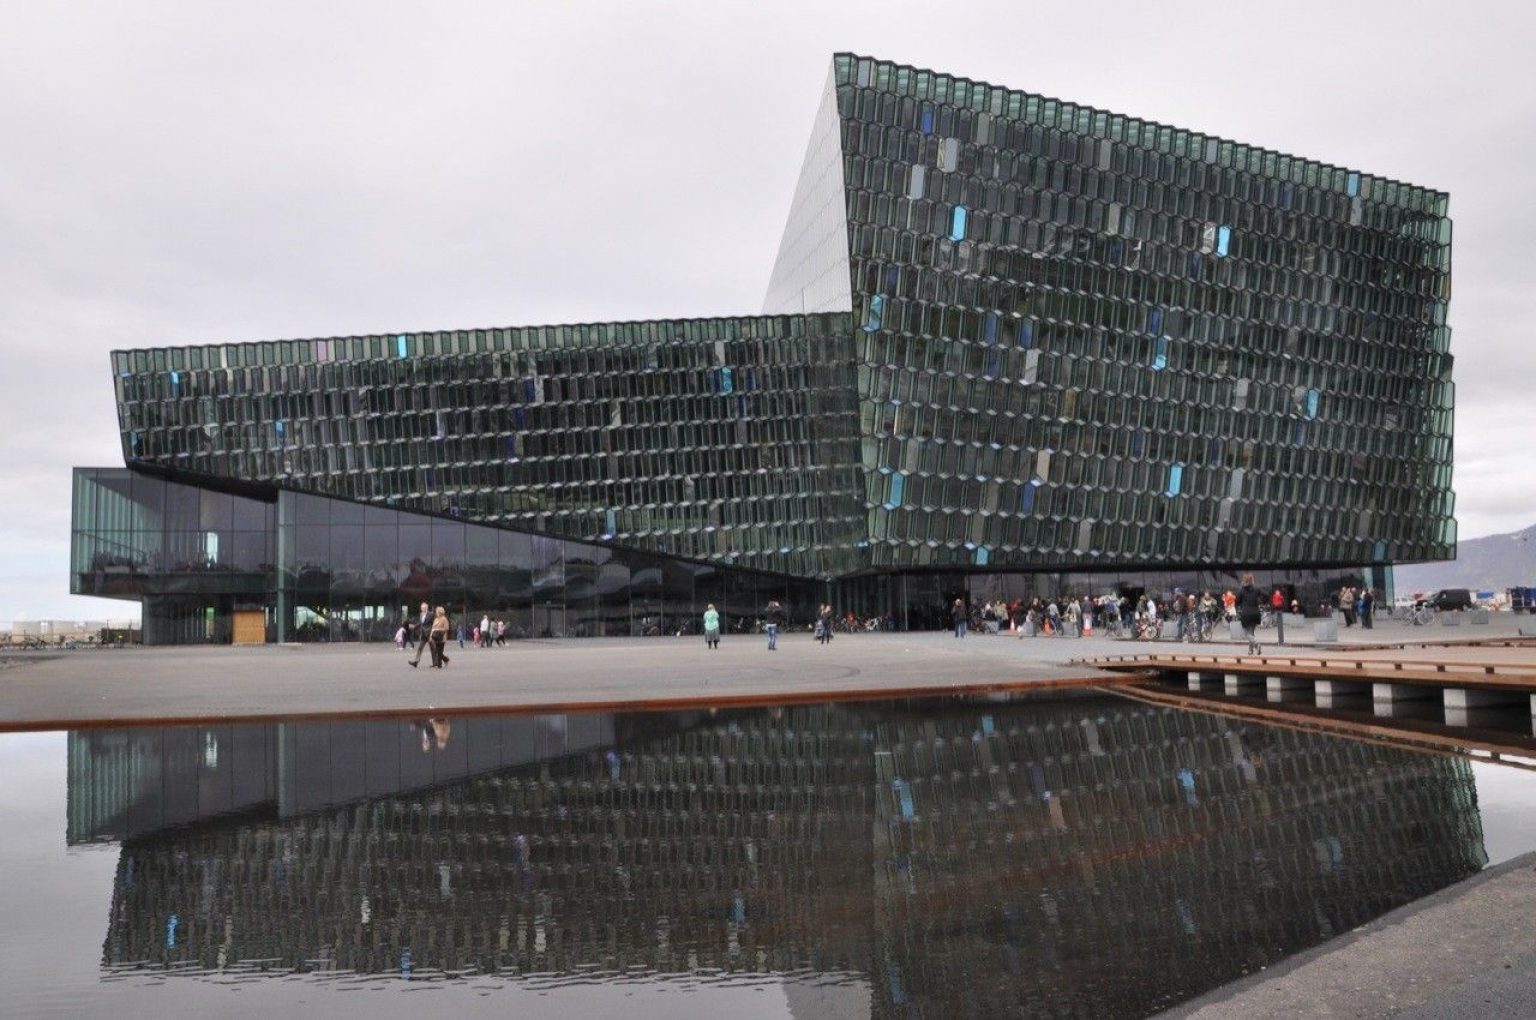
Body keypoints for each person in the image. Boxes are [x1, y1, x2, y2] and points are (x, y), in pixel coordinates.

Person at [1236, 573, 1264, 655]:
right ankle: (1250, 651)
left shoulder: (1242, 590)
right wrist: (1262, 602)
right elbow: (1266, 595)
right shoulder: (1256, 589)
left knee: (1246, 633)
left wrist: (1239, 606)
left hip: (1246, 614)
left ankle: (1256, 643)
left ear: (1244, 580)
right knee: (1251, 632)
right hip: (1256, 613)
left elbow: (1236, 601)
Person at [407, 602, 432, 668]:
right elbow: (421, 623)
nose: (422, 609)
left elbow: (433, 623)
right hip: (423, 634)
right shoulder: (421, 614)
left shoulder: (431, 614)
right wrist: (414, 626)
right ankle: (416, 662)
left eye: (423, 608)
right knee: (420, 648)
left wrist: (432, 631)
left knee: (433, 649)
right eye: (421, 608)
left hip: (429, 634)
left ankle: (442, 660)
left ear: (426, 608)